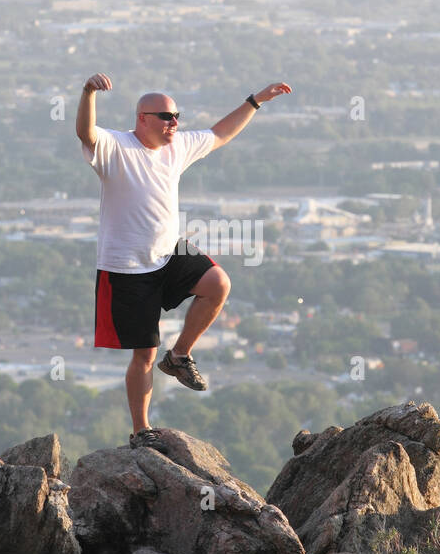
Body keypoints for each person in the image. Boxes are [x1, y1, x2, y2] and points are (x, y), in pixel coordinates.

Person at [76, 74, 292, 446]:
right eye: (165, 116)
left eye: (177, 115)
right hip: (127, 267)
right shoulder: (116, 148)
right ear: (142, 118)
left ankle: (180, 356)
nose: (174, 123)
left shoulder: (177, 147)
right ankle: (141, 430)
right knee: (144, 354)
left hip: (168, 251)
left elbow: (220, 133)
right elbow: (86, 133)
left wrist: (255, 101)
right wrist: (88, 93)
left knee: (218, 283)